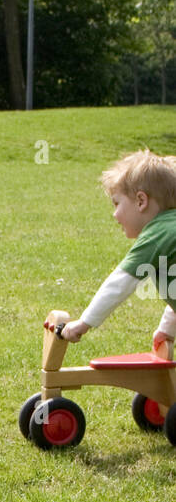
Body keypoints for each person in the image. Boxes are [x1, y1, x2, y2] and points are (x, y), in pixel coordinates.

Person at [59, 150, 176, 352]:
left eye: (117, 203)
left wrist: (84, 323)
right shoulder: (169, 231)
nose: (115, 214)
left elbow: (121, 281)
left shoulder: (157, 234)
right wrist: (167, 328)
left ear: (141, 201)